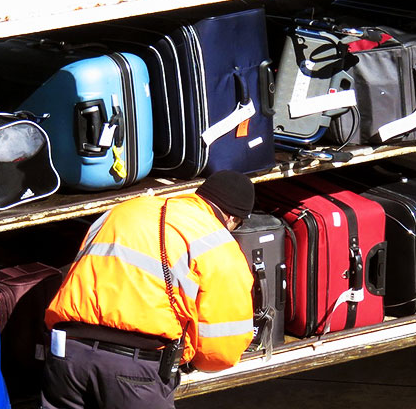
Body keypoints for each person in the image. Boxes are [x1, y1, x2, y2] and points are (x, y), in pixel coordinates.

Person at [42, 170, 256, 409]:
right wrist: (192, 359)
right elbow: (222, 347)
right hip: (134, 369)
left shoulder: (122, 210)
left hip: (66, 354)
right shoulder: (217, 241)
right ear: (232, 218)